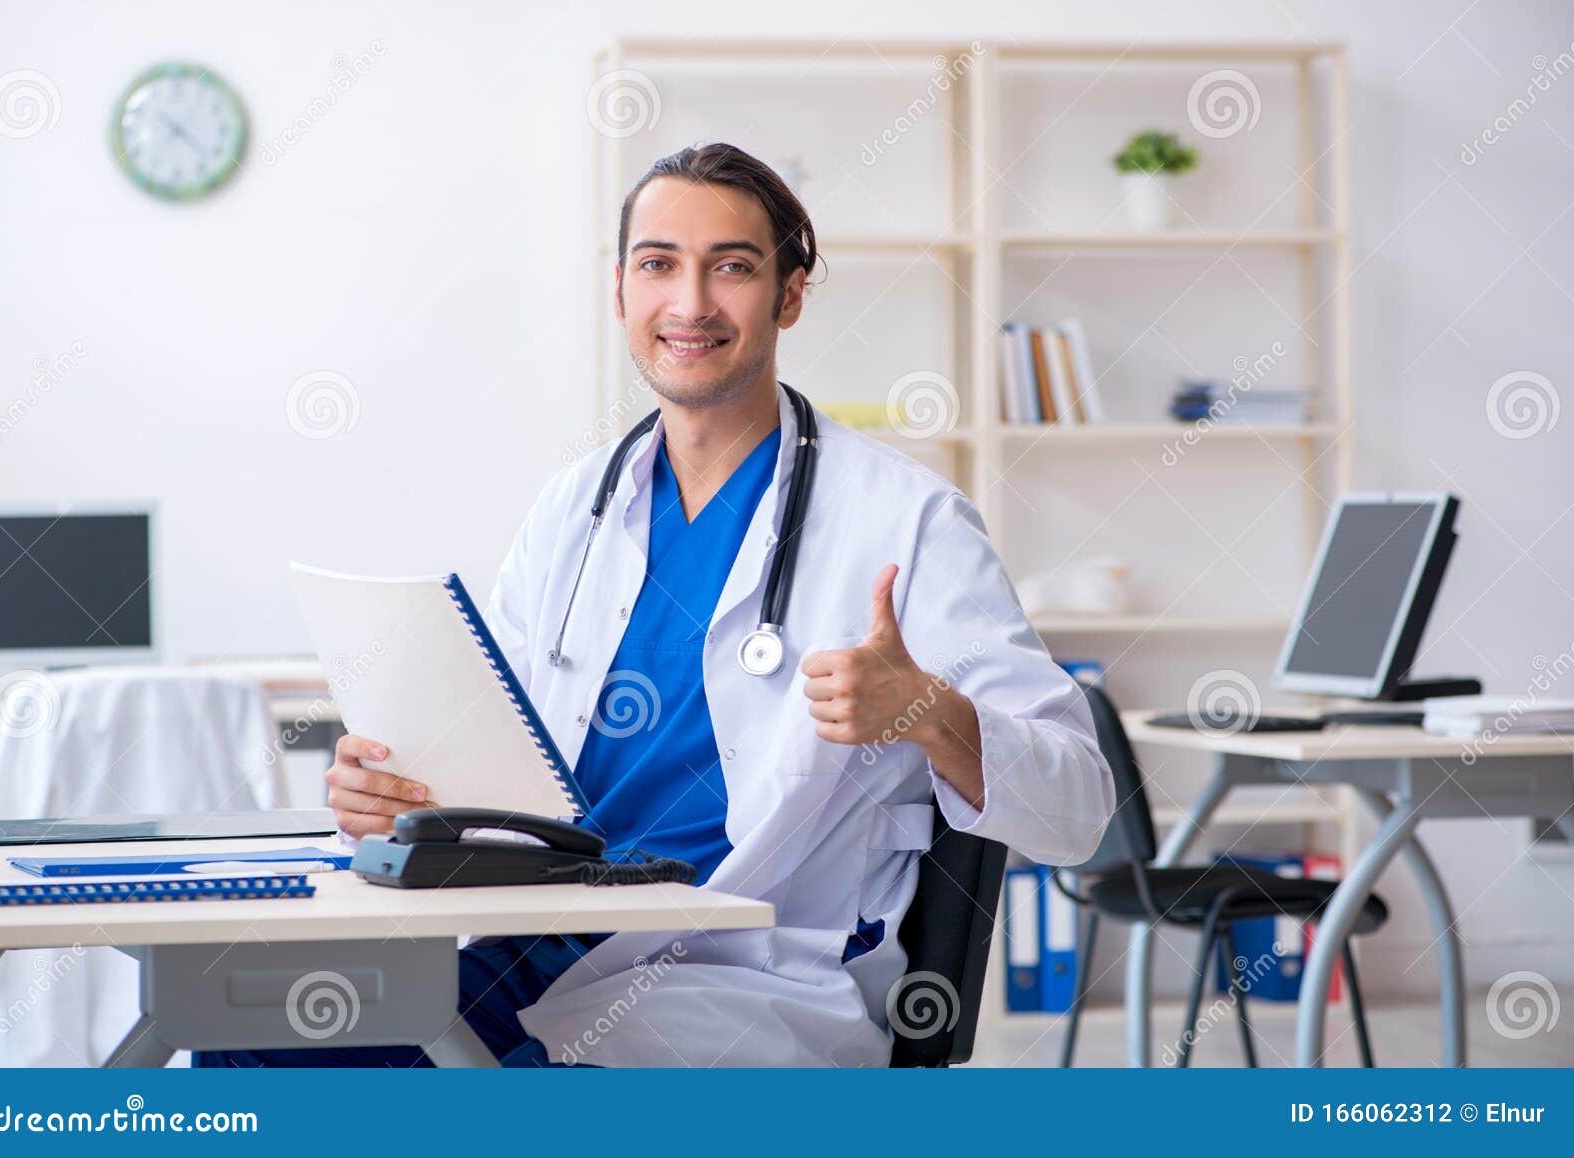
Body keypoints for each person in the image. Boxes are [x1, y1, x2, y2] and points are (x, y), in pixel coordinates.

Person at [198, 142, 1113, 1069]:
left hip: (738, 979)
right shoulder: (574, 509)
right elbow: (497, 762)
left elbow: (1078, 807)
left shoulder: (908, 522)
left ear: (790, 297)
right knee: (248, 1038)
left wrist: (925, 710)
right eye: (659, 264)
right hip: (531, 944)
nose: (691, 303)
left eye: (734, 267)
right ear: (621, 293)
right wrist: (396, 795)